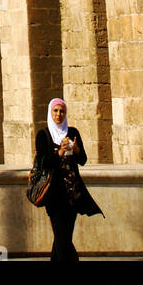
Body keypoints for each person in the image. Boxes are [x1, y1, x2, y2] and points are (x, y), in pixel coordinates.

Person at [35, 97, 103, 261]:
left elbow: (83, 160)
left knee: (63, 237)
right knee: (62, 238)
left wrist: (77, 150)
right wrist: (58, 153)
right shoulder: (43, 135)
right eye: (55, 111)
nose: (59, 114)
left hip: (72, 194)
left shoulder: (72, 133)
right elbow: (43, 162)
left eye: (62, 111)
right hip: (53, 195)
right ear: (50, 112)